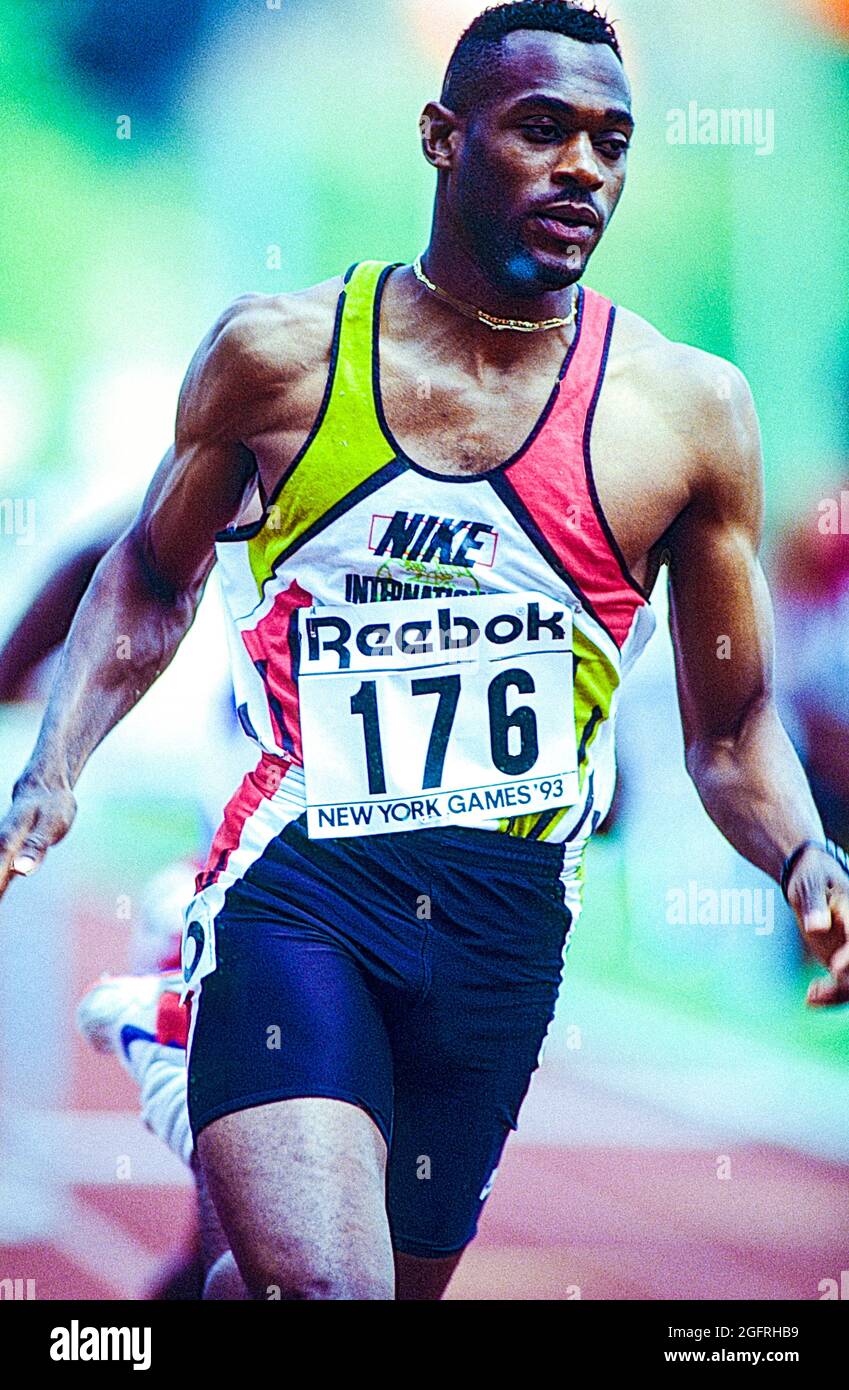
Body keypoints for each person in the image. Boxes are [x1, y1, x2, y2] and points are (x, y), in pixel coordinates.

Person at [2, 0, 848, 1303]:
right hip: (300, 892)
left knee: (309, 1285)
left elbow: (728, 729)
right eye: (542, 130)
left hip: (501, 936)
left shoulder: (683, 413)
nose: (583, 168)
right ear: (441, 137)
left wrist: (805, 855)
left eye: (611, 141)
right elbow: (143, 567)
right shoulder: (279, 364)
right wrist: (53, 764)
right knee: (325, 1291)